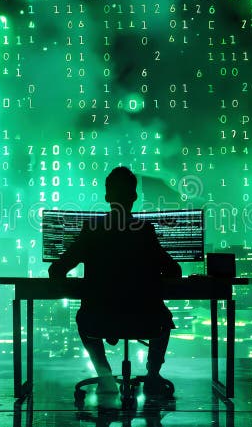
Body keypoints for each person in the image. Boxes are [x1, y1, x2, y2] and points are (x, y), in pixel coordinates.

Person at [49, 166, 182, 396]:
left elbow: (57, 270)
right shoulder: (145, 231)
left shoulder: (92, 229)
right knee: (164, 318)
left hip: (98, 319)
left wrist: (83, 285)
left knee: (82, 317)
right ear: (134, 197)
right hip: (144, 319)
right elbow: (174, 270)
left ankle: (105, 376)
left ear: (107, 196)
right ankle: (152, 377)